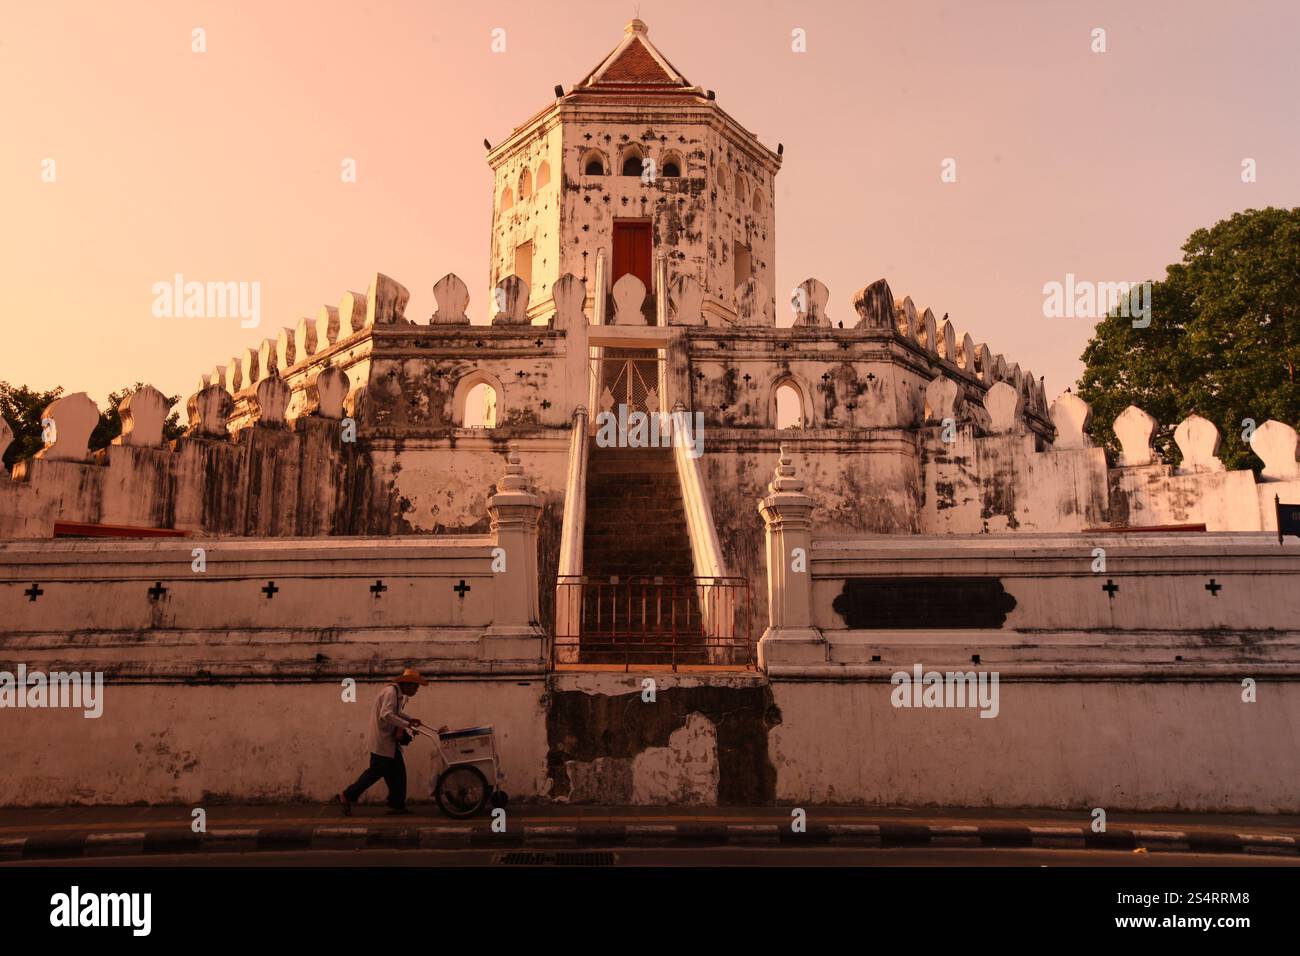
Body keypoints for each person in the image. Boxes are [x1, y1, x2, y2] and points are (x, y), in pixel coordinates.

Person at [336, 668, 445, 815]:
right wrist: (406, 725)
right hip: (382, 740)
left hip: (387, 741)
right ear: (407, 684)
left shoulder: (397, 694)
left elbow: (396, 713)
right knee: (376, 773)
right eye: (416, 687)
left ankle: (397, 804)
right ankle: (347, 795)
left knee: (397, 772)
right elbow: (386, 714)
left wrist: (409, 719)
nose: (417, 690)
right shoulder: (391, 693)